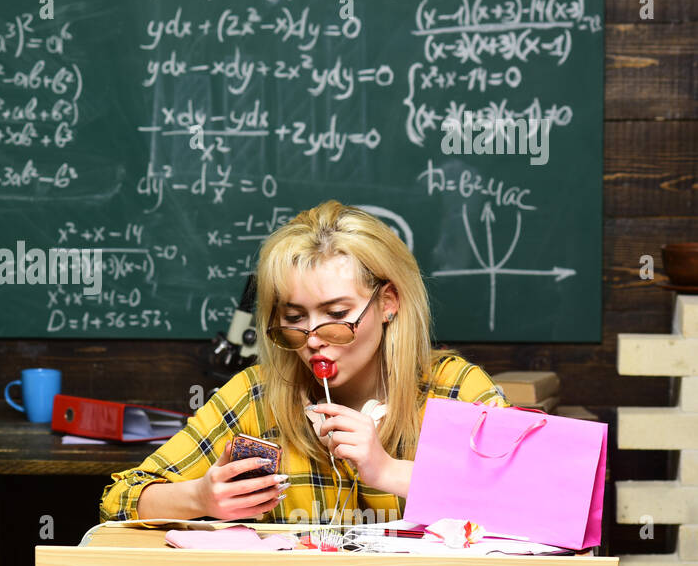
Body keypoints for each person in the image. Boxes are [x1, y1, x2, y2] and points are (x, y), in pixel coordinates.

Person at [99, 200, 510, 525]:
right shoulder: (256, 396)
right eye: (294, 319)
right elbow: (120, 501)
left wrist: (388, 472)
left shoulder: (455, 391)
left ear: (388, 302)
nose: (313, 339)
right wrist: (199, 497)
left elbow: (538, 503)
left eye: (336, 314)